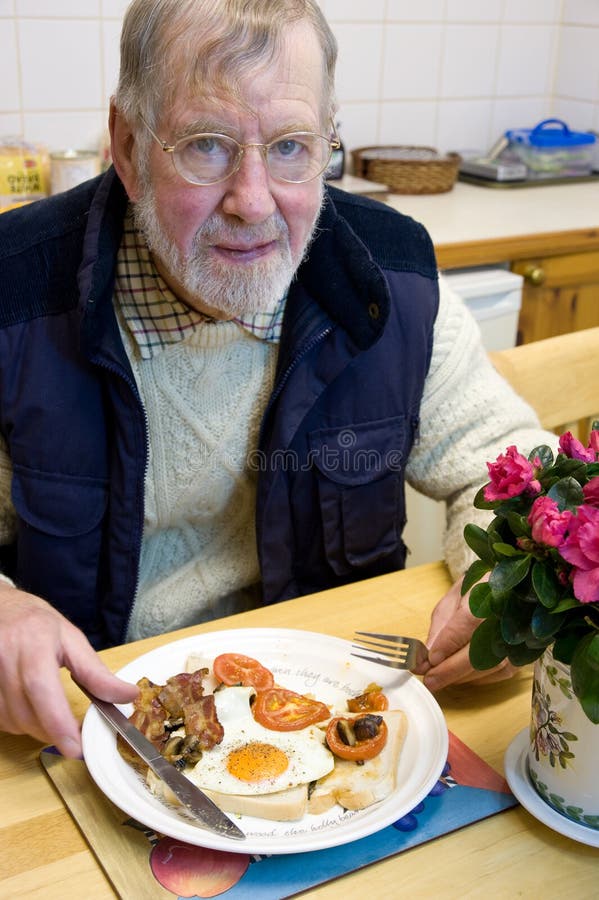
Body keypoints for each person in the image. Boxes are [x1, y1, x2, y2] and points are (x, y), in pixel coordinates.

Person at [0, 0, 555, 758]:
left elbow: (508, 472)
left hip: (323, 721)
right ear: (127, 146)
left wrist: (506, 592)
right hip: (88, 732)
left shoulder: (385, 275)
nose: (254, 201)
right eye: (206, 145)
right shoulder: (15, 293)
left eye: (292, 147)